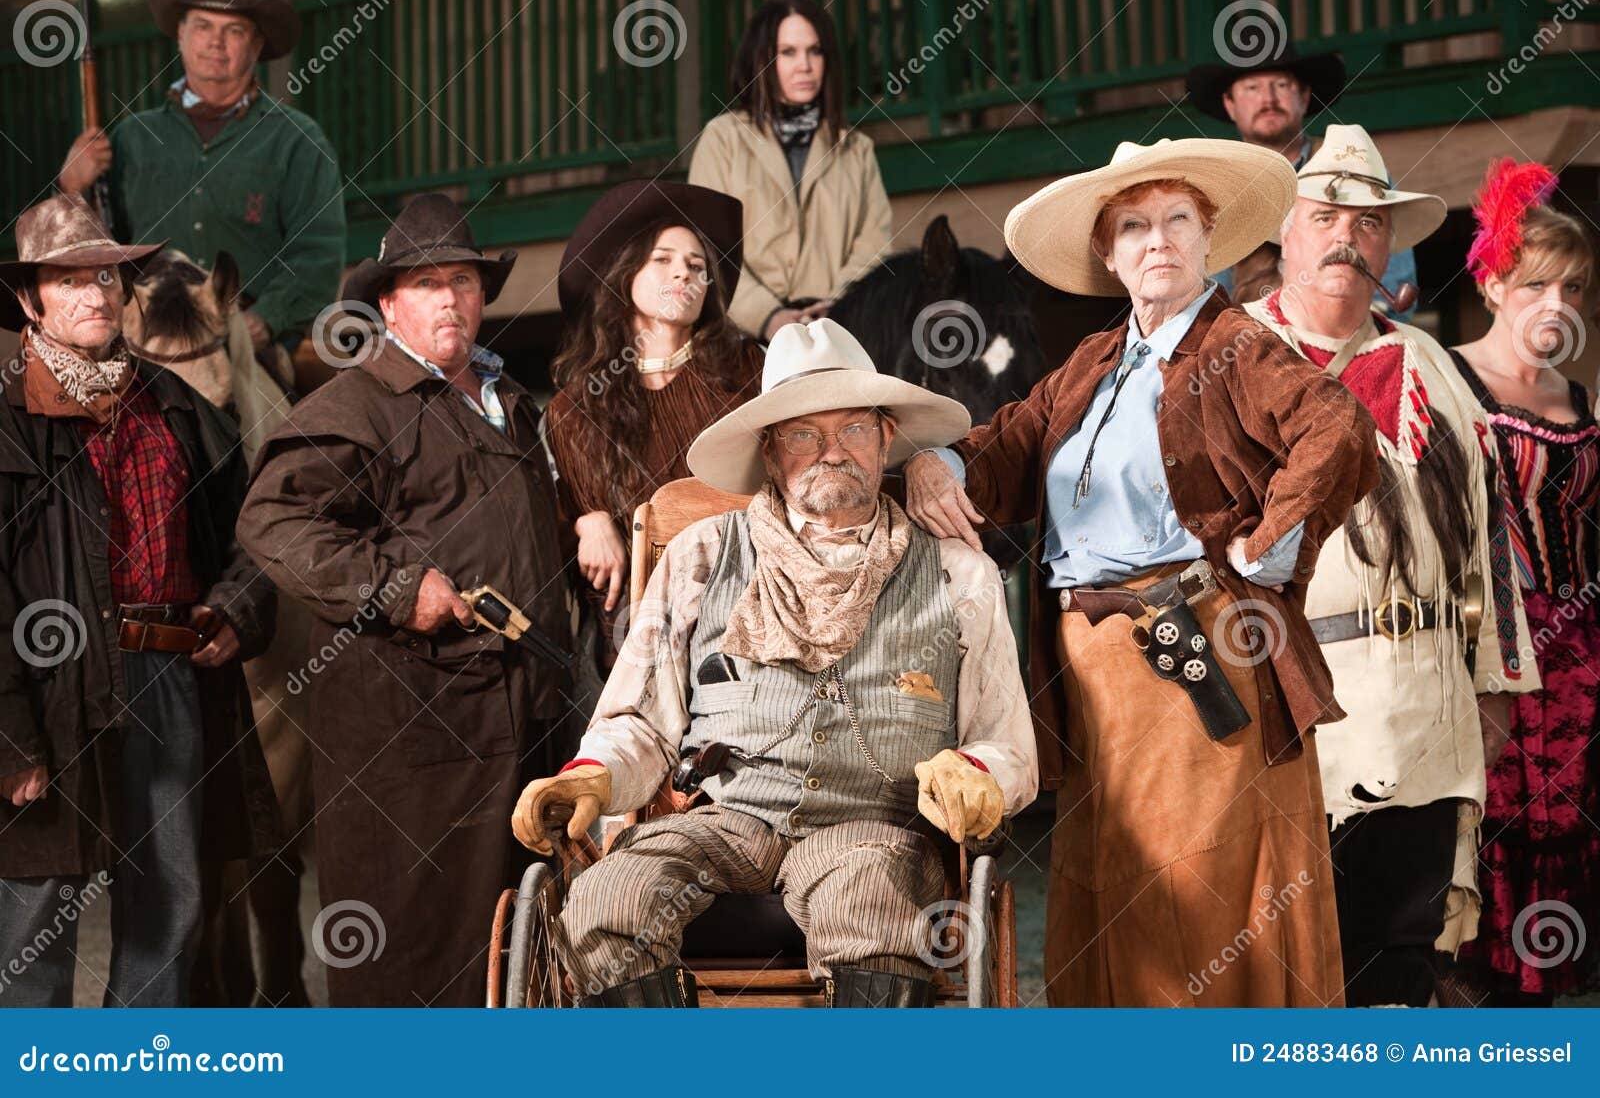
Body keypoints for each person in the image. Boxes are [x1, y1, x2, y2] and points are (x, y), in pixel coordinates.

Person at [903, 138, 1380, 1007]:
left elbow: (1339, 426)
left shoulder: (1236, 343)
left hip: (1192, 654)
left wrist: (1266, 545)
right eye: (1134, 226)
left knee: (1190, 905)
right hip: (1091, 676)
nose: (1156, 240)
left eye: (1176, 220)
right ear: (1109, 251)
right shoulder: (1092, 359)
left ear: (1207, 238)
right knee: (1104, 898)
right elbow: (1007, 445)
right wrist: (941, 462)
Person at [511, 319, 1038, 1007]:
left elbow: (1005, 742)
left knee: (873, 901)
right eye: (803, 434)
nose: (832, 451)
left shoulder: (957, 573)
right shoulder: (701, 554)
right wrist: (593, 775)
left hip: (874, 832)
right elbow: (638, 721)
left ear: (886, 438)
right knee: (606, 900)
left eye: (853, 428)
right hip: (724, 820)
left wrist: (977, 774)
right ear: (770, 451)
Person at [235, 194, 571, 1006]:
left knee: (517, 968)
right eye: (425, 284)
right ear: (388, 306)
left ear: (482, 296)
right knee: (417, 971)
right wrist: (397, 586)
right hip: (415, 744)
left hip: (525, 727)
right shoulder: (355, 405)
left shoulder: (508, 399)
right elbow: (271, 521)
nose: (448, 299)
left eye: (463, 281)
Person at [1239, 127, 1538, 1007]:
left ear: (1388, 244)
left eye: (1369, 223)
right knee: (1288, 962)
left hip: (1422, 709)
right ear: (1284, 231)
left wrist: (1494, 683)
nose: (1347, 237)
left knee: (1400, 965)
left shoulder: (1430, 364)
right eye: (1326, 216)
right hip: (1288, 706)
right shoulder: (1232, 358)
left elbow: (1490, 533)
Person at [0, 195, 278, 1006]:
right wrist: (10, 736)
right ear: (29, 300)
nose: (95, 293)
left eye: (106, 276)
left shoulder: (177, 405)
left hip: (167, 679)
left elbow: (255, 532)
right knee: (35, 915)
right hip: (50, 688)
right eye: (69, 279)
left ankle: (140, 1063)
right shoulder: (6, 422)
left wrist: (236, 605)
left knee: (170, 907)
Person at [1447, 159, 1600, 1005]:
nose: (1557, 303)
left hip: (1581, 648)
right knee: (1498, 819)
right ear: (1493, 283)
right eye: (1536, 283)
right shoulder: (1450, 377)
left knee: (1569, 817)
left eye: (1572, 287)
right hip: (1494, 644)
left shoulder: (1577, 392)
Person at [56, 0, 344, 371]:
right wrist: (70, 187)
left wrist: (264, 321)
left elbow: (318, 254)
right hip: (144, 349)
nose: (216, 42)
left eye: (234, 31)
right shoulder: (132, 137)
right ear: (181, 35)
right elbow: (90, 252)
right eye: (203, 26)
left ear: (256, 46)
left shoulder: (299, 140)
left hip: (247, 347)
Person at [545, 180, 764, 661]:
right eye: (662, 259)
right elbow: (544, 523)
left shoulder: (748, 371)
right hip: (634, 645)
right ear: (624, 274)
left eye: (697, 266)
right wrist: (584, 522)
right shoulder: (574, 410)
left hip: (750, 626)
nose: (683, 273)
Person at [688, 0, 891, 341]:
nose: (805, 65)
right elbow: (708, 245)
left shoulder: (856, 149)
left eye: (815, 51)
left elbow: (875, 243)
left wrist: (836, 307)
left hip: (834, 334)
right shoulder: (722, 139)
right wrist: (768, 317)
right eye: (788, 52)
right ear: (761, 59)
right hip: (742, 339)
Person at [1186, 39, 1416, 311]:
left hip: (1350, 328)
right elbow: (1209, 294)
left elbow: (1393, 286)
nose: (1268, 99)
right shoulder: (1219, 187)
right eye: (1252, 88)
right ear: (1230, 104)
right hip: (1250, 332)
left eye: (1282, 85)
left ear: (1305, 97)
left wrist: (1367, 327)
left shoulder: (1354, 166)